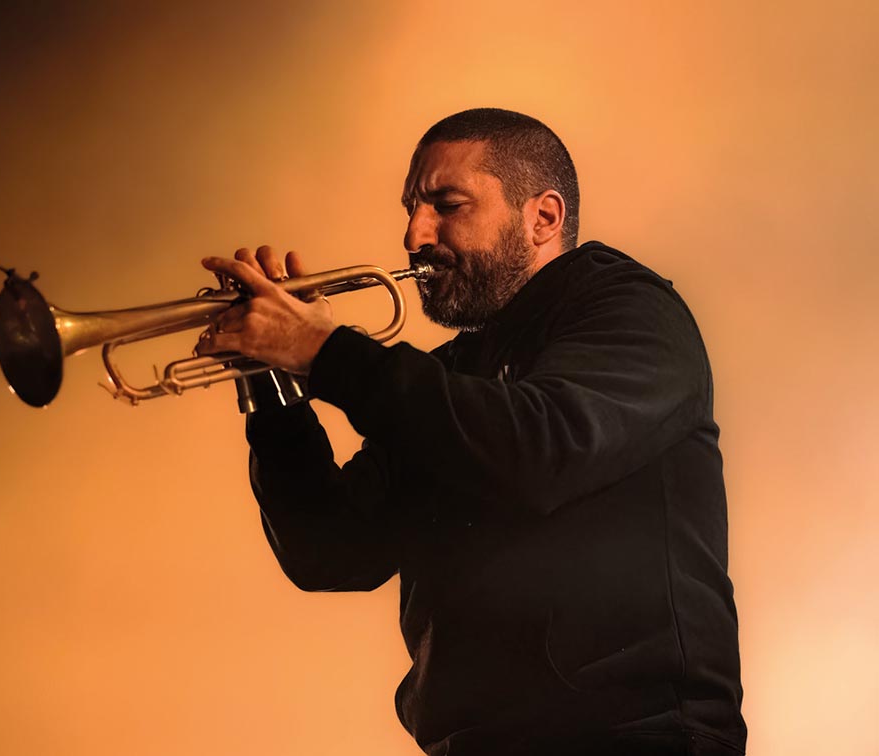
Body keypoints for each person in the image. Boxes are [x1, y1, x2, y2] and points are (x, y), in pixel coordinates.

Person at [195, 108, 746, 755]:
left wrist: (324, 350)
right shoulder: (454, 378)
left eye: (445, 205)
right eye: (410, 209)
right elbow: (331, 550)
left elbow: (538, 451)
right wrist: (273, 384)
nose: (413, 234)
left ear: (544, 217)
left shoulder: (632, 312)